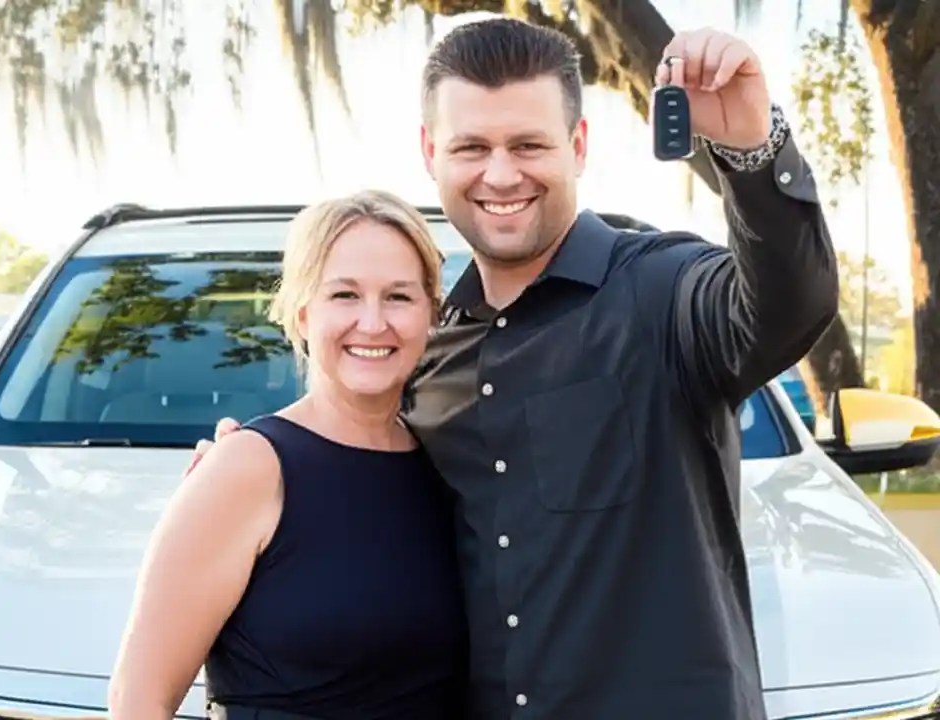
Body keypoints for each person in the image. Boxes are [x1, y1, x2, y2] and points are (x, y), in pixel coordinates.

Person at [183, 18, 838, 720]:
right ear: (432, 153)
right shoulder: (424, 360)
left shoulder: (663, 292)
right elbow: (360, 496)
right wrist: (244, 477)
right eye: (472, 147)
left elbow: (787, 307)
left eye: (528, 145)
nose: (501, 175)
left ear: (578, 147)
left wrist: (751, 147)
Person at [107, 190, 469, 720]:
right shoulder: (248, 468)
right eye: (344, 296)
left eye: (398, 297)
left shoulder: (445, 467)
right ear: (302, 314)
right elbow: (138, 701)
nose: (373, 322)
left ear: (431, 316)